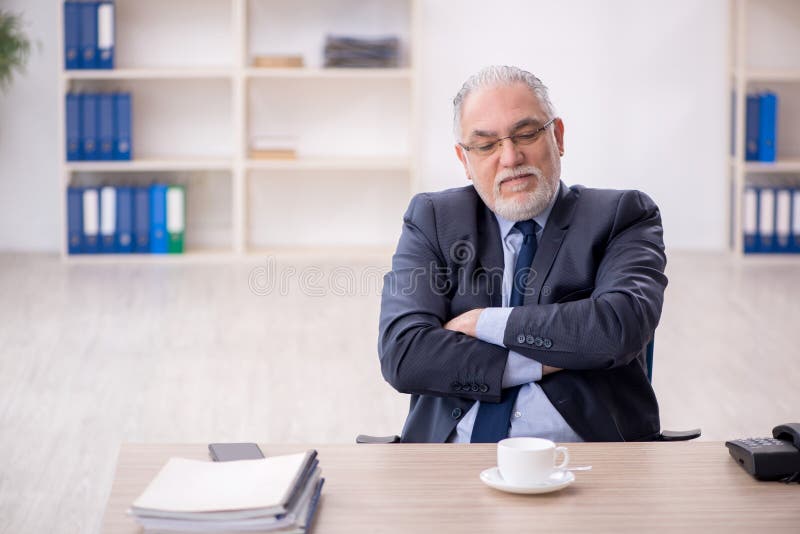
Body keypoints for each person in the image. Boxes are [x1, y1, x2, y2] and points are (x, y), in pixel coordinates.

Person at [378, 65, 667, 443]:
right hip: (448, 461)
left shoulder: (623, 215)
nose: (511, 157)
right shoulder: (433, 219)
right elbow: (404, 354)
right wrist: (559, 351)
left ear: (558, 137)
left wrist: (484, 324)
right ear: (464, 160)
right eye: (485, 145)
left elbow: (616, 328)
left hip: (586, 460)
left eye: (526, 134)